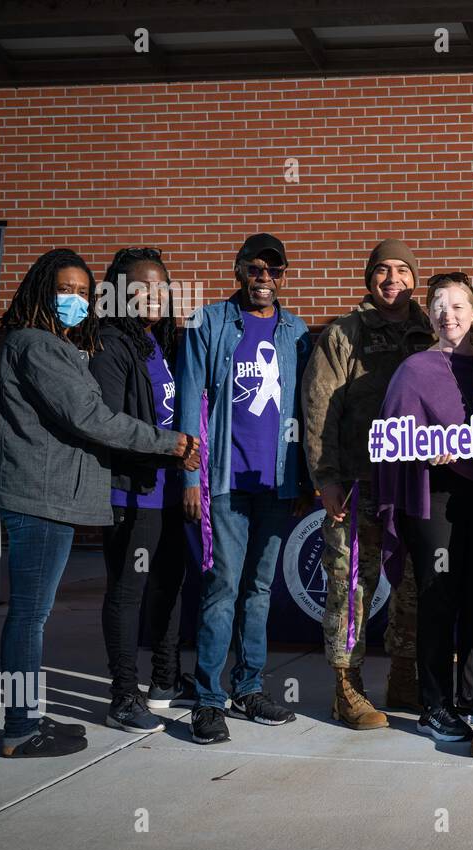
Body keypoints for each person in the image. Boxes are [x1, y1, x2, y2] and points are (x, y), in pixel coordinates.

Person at [0, 248, 199, 757]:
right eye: (64, 290)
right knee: (29, 616)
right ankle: (20, 729)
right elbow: (92, 416)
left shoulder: (51, 344)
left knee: (34, 615)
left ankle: (27, 718)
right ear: (39, 290)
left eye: (81, 292)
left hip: (49, 494)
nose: (73, 300)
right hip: (41, 496)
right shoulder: (37, 346)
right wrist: (172, 444)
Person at [176, 234, 312, 745]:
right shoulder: (208, 323)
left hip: (276, 483)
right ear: (239, 271)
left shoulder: (297, 332)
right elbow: (190, 401)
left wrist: (303, 478)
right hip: (225, 482)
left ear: (283, 277)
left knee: (258, 591)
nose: (264, 279)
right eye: (255, 269)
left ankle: (249, 687)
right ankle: (208, 701)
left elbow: (305, 409)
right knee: (222, 589)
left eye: (274, 271)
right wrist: (192, 476)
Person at [302, 239, 436, 730]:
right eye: (383, 270)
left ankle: (404, 675)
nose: (392, 279)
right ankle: (347, 687)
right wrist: (327, 478)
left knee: (413, 586)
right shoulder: (344, 333)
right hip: (360, 483)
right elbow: (321, 410)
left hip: (415, 484)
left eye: (402, 270)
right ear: (369, 277)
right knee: (352, 584)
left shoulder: (431, 329)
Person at [90, 246, 198, 733]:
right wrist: (173, 446)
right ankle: (121, 695)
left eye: (160, 286)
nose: (152, 295)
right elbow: (111, 425)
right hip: (131, 492)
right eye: (140, 286)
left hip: (171, 489)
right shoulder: (110, 345)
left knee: (170, 584)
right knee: (128, 591)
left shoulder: (161, 343)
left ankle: (165, 680)